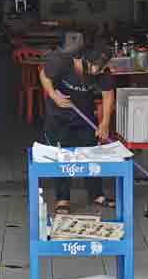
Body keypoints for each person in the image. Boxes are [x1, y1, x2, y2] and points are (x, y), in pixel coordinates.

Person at [40, 41, 116, 214]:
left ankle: (96, 194)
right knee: (62, 155)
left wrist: (104, 123)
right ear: (81, 59)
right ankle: (63, 199)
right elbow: (44, 76)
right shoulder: (62, 61)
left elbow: (108, 94)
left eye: (101, 67)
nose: (96, 71)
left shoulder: (102, 70)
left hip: (85, 115)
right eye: (94, 66)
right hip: (58, 116)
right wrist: (53, 95)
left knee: (90, 153)